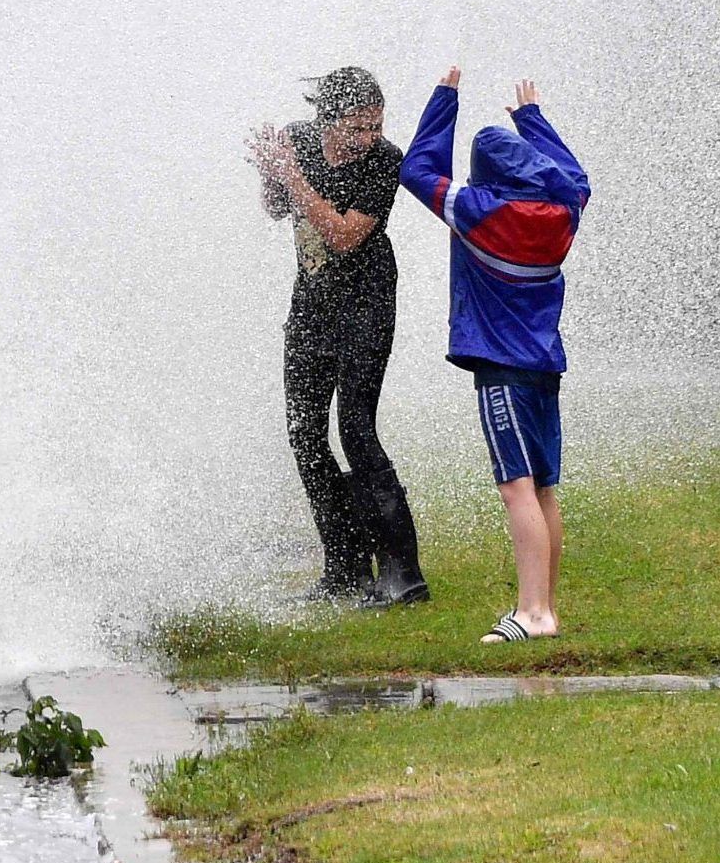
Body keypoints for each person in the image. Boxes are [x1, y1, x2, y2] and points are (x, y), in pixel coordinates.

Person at [398, 70, 590, 644]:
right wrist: (532, 121)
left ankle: (532, 614)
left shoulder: (479, 210)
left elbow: (417, 172)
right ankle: (546, 610)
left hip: (501, 370)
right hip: (543, 365)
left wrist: (444, 100)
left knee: (516, 487)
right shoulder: (564, 213)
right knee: (544, 489)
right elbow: (575, 178)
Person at [250, 66, 429, 606]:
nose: (367, 139)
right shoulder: (298, 139)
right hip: (312, 306)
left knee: (356, 430)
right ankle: (345, 567)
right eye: (357, 128)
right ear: (327, 120)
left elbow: (345, 235)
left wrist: (293, 177)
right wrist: (270, 175)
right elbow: (277, 208)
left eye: (375, 125)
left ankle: (403, 572)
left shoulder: (385, 161)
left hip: (367, 305)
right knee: (305, 436)